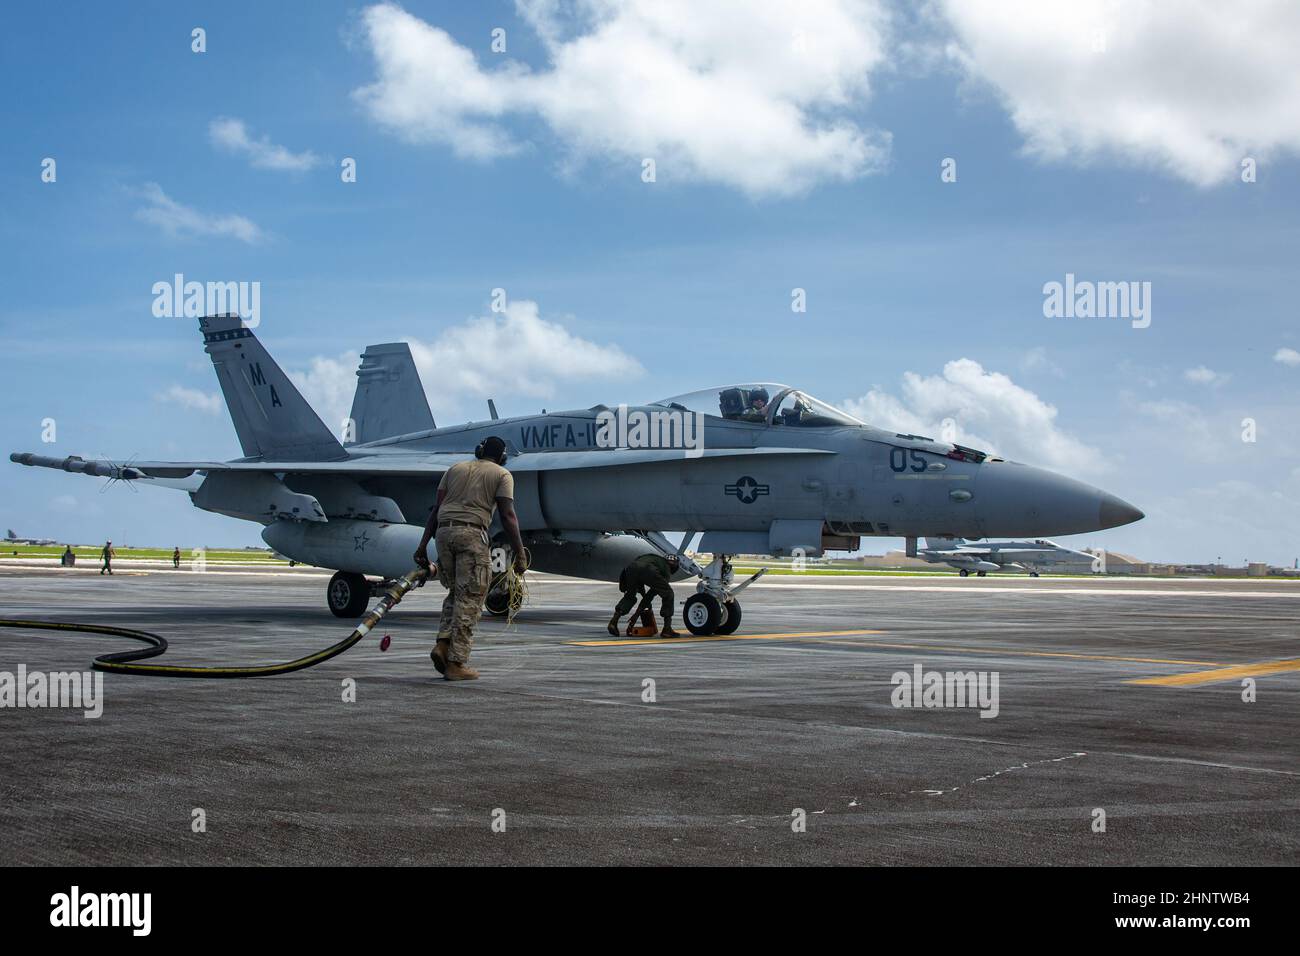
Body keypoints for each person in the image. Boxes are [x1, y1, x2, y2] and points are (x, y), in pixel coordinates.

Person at [414, 436, 526, 681]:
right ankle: (456, 663)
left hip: (443, 533)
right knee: (472, 598)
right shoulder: (502, 474)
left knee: (456, 592)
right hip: (471, 534)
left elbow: (436, 509)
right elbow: (508, 515)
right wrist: (519, 552)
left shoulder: (454, 469)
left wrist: (422, 546)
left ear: (480, 451)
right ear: (503, 456)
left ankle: (443, 645)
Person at [608, 553, 681, 638]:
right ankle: (667, 629)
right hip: (648, 569)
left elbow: (643, 591)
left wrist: (637, 614)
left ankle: (613, 622)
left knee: (630, 596)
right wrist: (636, 615)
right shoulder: (666, 569)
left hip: (632, 567)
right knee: (668, 594)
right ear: (674, 566)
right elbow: (649, 596)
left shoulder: (653, 558)